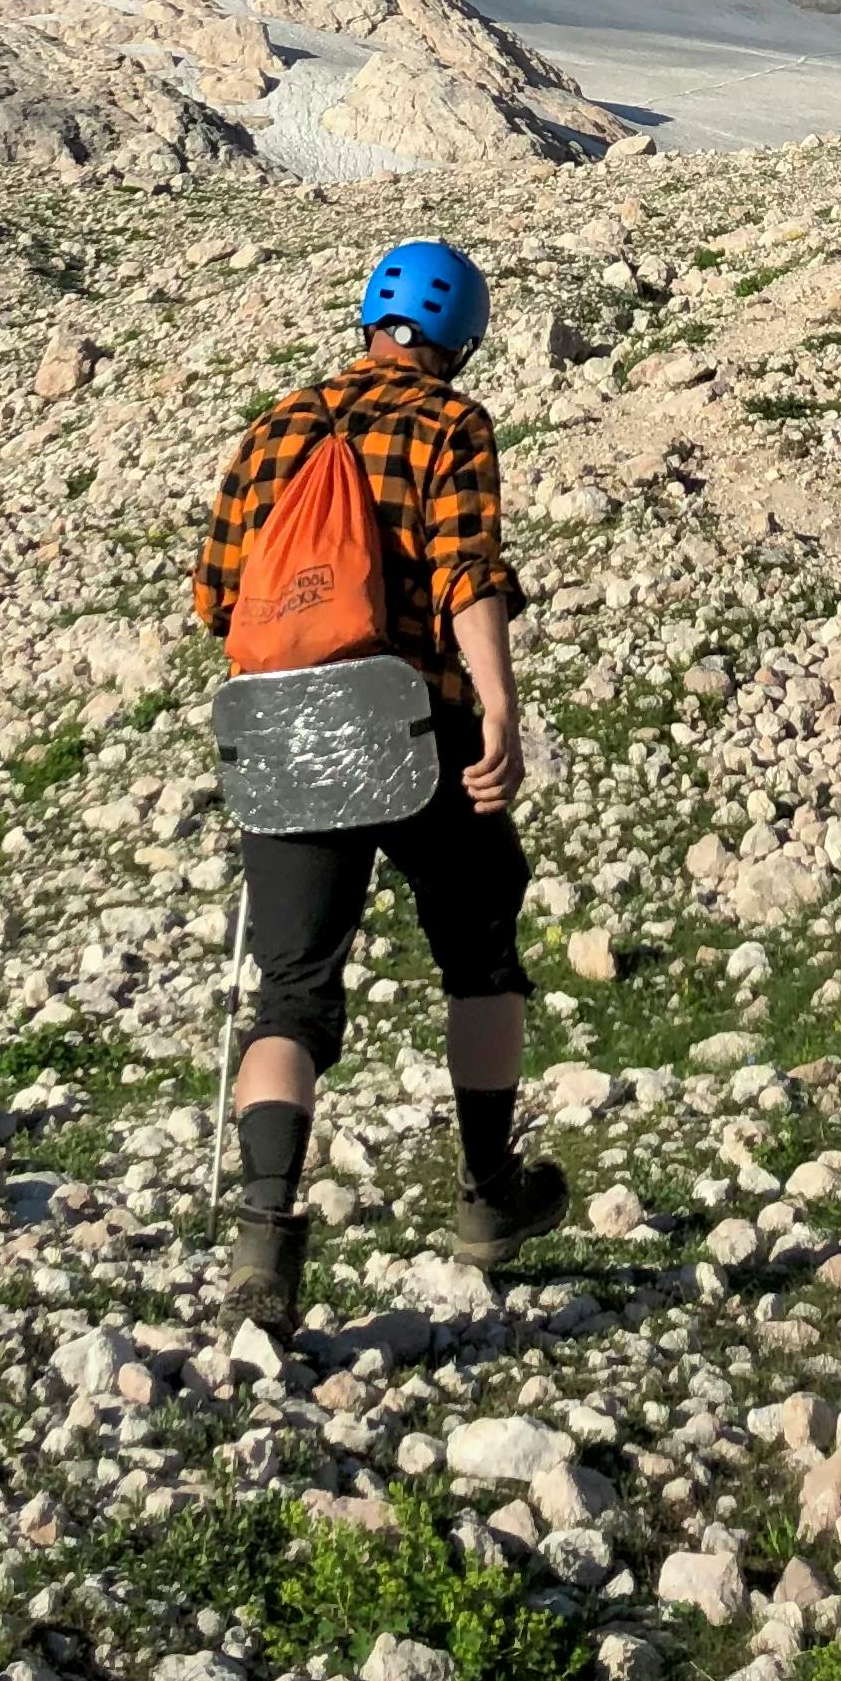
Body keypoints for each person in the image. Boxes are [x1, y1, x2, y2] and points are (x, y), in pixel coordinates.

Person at [192, 236, 569, 1339]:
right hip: (413, 722)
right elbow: (467, 570)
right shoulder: (449, 424)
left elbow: (218, 597)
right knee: (479, 950)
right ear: (459, 339)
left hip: (277, 728)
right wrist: (496, 703)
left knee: (292, 993)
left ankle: (264, 1241)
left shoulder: (272, 430)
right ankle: (487, 1194)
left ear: (367, 317)